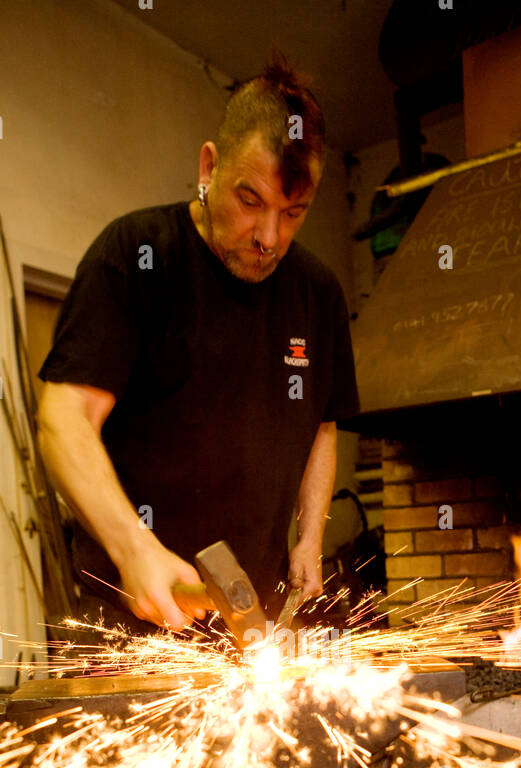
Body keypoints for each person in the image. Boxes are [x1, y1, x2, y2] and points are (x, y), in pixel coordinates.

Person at [37, 49, 359, 635]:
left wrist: (310, 539)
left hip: (254, 618)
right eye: (250, 201)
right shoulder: (136, 255)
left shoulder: (318, 292)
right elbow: (64, 418)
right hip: (134, 617)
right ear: (209, 166)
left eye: (293, 213)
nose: (268, 237)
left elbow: (322, 426)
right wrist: (135, 548)